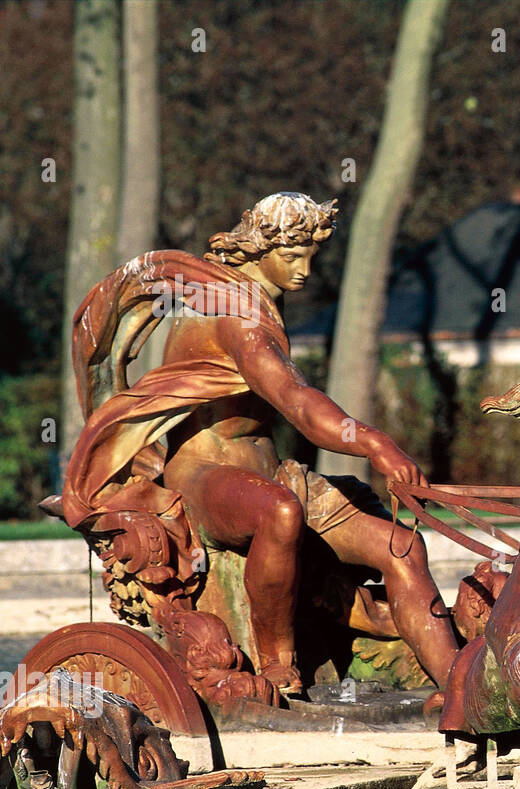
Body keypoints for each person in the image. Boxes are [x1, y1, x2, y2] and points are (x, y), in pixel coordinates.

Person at [64, 193, 459, 695]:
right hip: (203, 476)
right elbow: (296, 400)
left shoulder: (257, 303)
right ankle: (278, 662)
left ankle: (459, 689)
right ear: (256, 250)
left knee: (402, 546)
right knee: (280, 513)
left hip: (274, 472)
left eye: (312, 257)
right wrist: (377, 444)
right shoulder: (236, 315)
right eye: (293, 257)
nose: (306, 272)